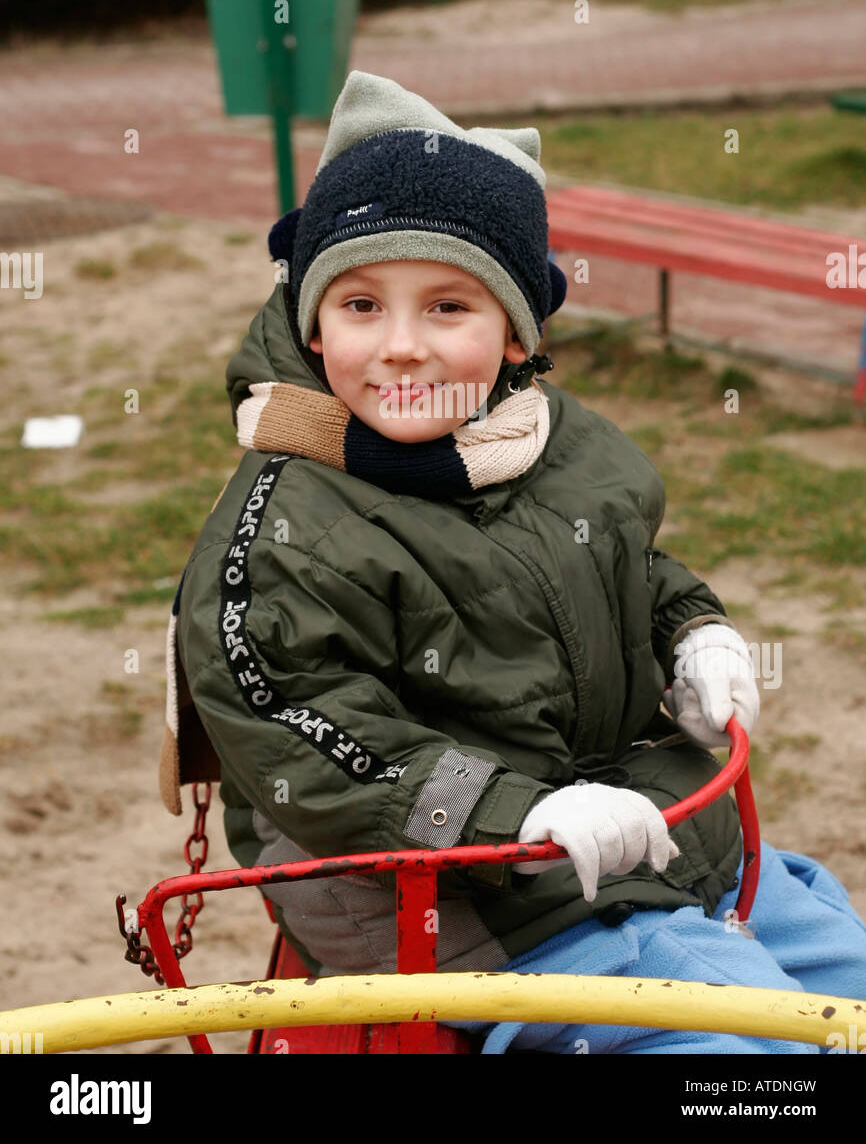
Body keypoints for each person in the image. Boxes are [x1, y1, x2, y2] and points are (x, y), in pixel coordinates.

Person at [160, 69, 866, 1054]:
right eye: (361, 305)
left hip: (634, 828)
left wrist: (688, 631)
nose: (400, 348)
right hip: (453, 898)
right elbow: (298, 730)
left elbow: (623, 567)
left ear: (515, 333)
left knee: (838, 959)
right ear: (313, 325)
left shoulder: (545, 440)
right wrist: (519, 811)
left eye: (447, 307)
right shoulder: (282, 532)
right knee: (747, 1039)